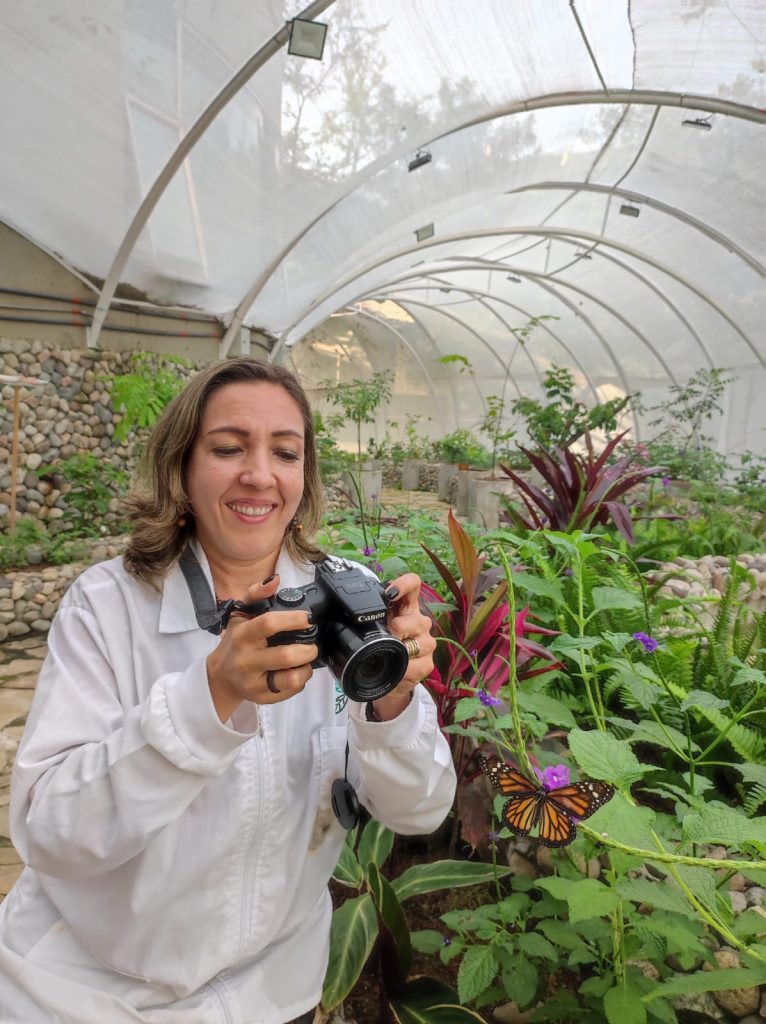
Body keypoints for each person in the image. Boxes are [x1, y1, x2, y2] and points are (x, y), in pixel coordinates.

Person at [0, 357, 456, 1024]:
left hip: (275, 996)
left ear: (306, 474)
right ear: (181, 465)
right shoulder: (108, 606)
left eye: (285, 451)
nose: (260, 475)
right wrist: (208, 697)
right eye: (227, 448)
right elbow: (49, 833)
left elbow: (420, 811)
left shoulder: (347, 593)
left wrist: (389, 703)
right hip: (89, 998)